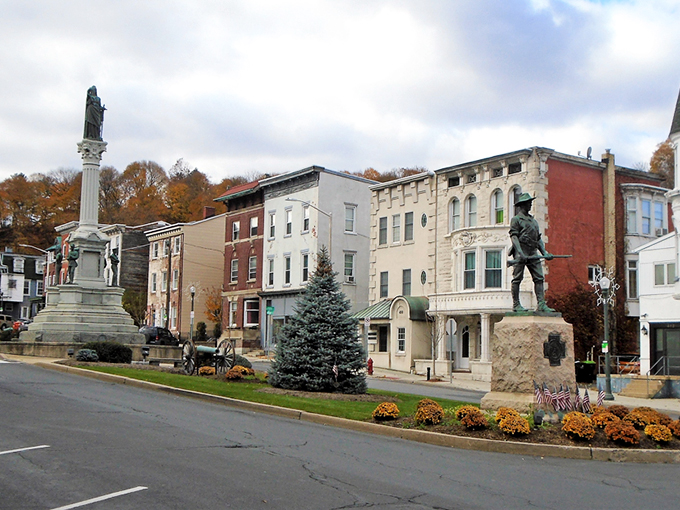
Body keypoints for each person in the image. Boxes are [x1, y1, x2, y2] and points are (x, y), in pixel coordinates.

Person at [509, 193, 555, 313]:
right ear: (522, 205)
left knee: (539, 277)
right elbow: (514, 237)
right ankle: (516, 304)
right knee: (517, 278)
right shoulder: (516, 219)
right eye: (528, 202)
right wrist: (520, 253)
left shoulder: (533, 221)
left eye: (530, 202)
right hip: (521, 250)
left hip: (532, 251)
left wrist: (544, 252)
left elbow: (538, 238)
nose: (530, 204)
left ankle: (541, 304)